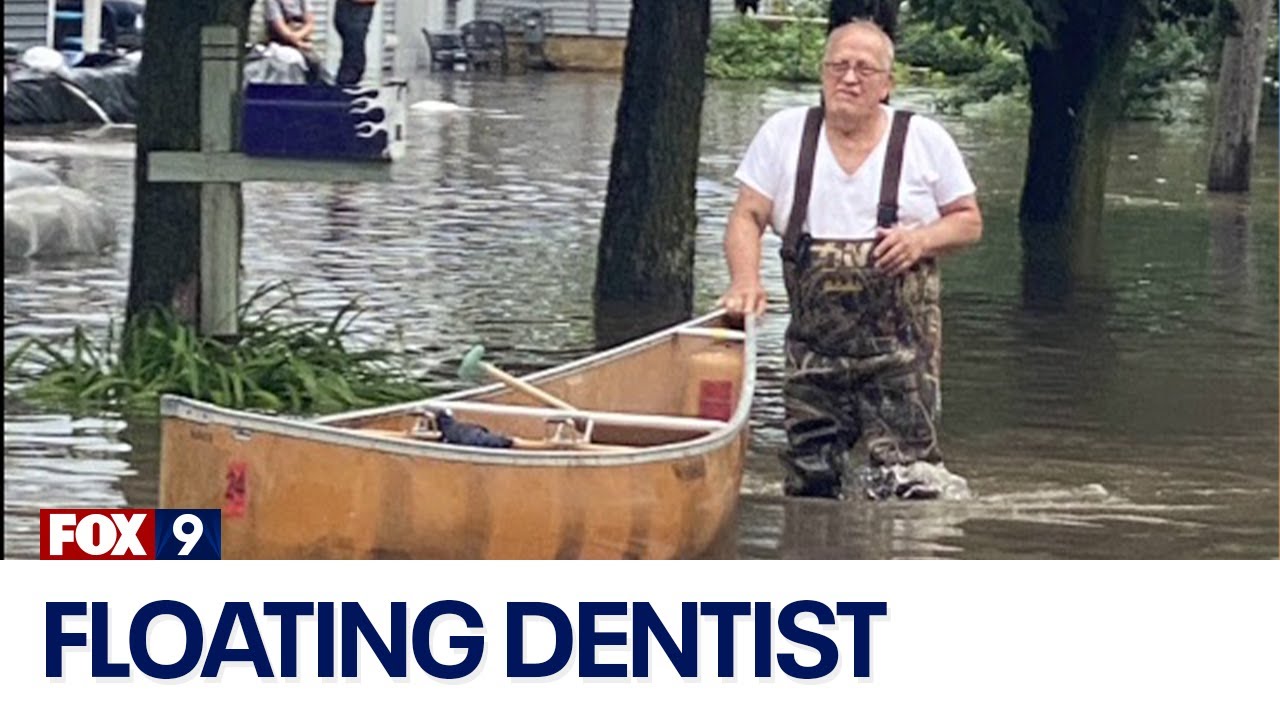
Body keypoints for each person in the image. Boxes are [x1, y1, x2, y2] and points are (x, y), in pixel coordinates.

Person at [718, 20, 983, 501]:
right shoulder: (784, 135)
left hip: (901, 356)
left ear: (887, 84)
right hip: (813, 357)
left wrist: (920, 240)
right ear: (822, 74)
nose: (850, 78)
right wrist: (746, 280)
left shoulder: (923, 140)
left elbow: (968, 221)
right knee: (810, 487)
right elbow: (745, 217)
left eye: (865, 68)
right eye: (839, 65)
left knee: (910, 487)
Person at [264, 0, 325, 84]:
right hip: (281, 42)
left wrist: (299, 36)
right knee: (295, 61)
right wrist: (299, 43)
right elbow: (280, 28)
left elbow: (310, 23)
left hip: (302, 40)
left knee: (316, 63)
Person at [335, 0, 377, 86]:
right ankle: (344, 88)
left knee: (354, 58)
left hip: (357, 9)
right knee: (353, 60)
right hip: (352, 9)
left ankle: (346, 85)